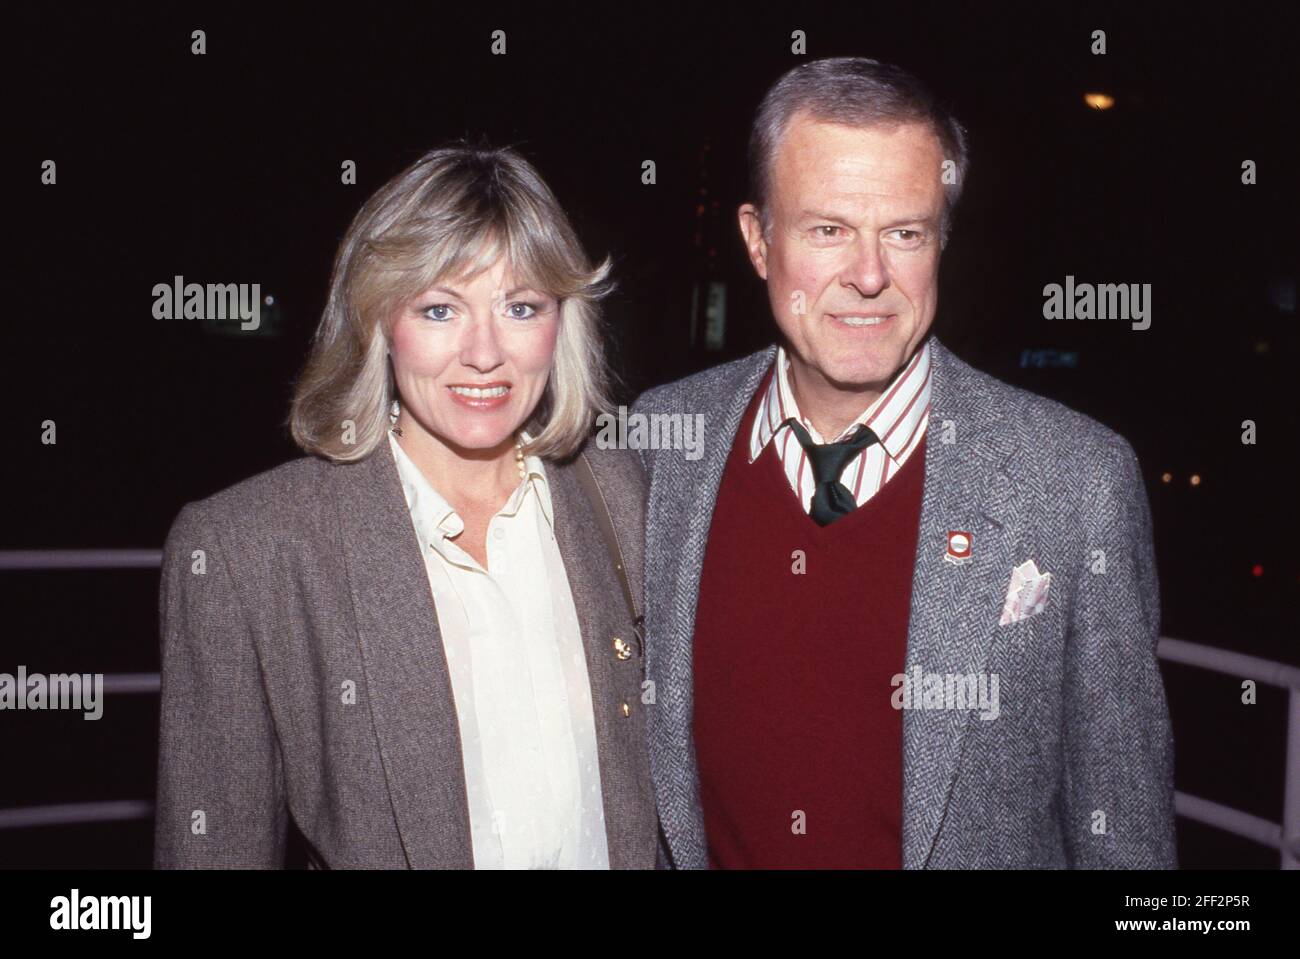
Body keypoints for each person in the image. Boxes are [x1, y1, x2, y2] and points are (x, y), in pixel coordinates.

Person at [632, 57, 1176, 868]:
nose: (869, 275)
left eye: (905, 232)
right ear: (757, 240)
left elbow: (1126, 836)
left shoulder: (1074, 479)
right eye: (827, 230)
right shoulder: (660, 442)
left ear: (941, 240)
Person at [154, 143, 658, 869]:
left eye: (520, 307)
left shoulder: (627, 495)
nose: (484, 353)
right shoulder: (250, 553)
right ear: (378, 322)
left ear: (562, 324)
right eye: (439, 308)